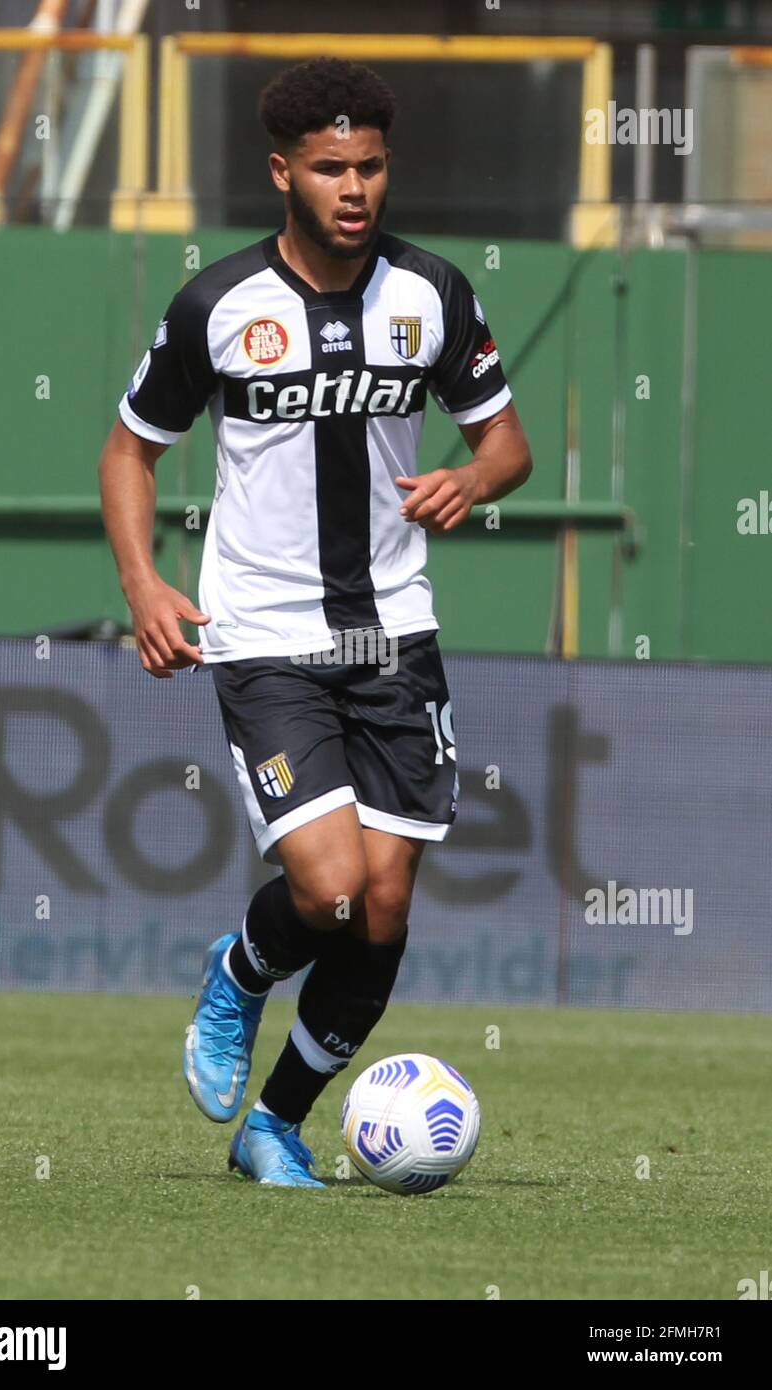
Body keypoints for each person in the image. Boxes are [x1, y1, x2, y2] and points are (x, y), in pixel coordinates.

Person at [98, 57, 533, 1188]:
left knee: (381, 906)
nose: (355, 186)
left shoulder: (429, 294)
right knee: (328, 887)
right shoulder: (219, 305)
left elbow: (506, 445)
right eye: (331, 167)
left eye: (372, 165)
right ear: (282, 171)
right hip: (265, 634)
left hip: (394, 635)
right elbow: (129, 450)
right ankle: (240, 973)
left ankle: (275, 1125)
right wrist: (145, 584)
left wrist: (468, 483)